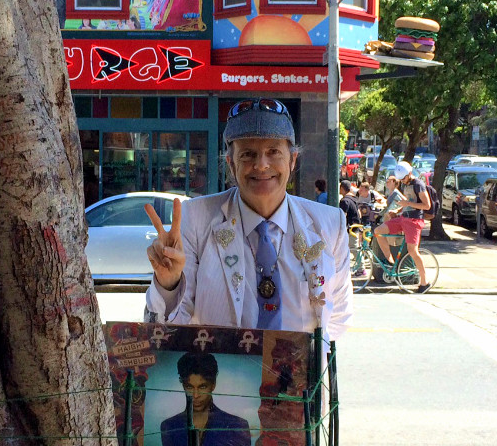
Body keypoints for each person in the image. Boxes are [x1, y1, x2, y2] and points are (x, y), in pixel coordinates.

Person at [143, 97, 352, 342]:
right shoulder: (197, 219)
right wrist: (169, 285)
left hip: (300, 378)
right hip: (224, 376)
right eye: (248, 154)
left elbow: (337, 318)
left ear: (292, 160)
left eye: (273, 151)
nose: (261, 165)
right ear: (231, 164)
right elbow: (170, 328)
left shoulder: (329, 224)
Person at [160, 352, 251, 446]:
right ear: (183, 386)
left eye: (202, 387)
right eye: (189, 387)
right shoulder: (169, 427)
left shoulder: (237, 426)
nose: (196, 395)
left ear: (213, 385)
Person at [372, 161, 432, 293]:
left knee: (413, 251)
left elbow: (426, 206)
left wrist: (406, 203)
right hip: (403, 218)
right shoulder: (406, 184)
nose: (402, 181)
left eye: (403, 178)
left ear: (410, 173)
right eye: (400, 179)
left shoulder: (418, 185)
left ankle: (424, 281)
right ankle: (390, 261)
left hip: (414, 221)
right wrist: (398, 211)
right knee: (378, 231)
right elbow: (407, 204)